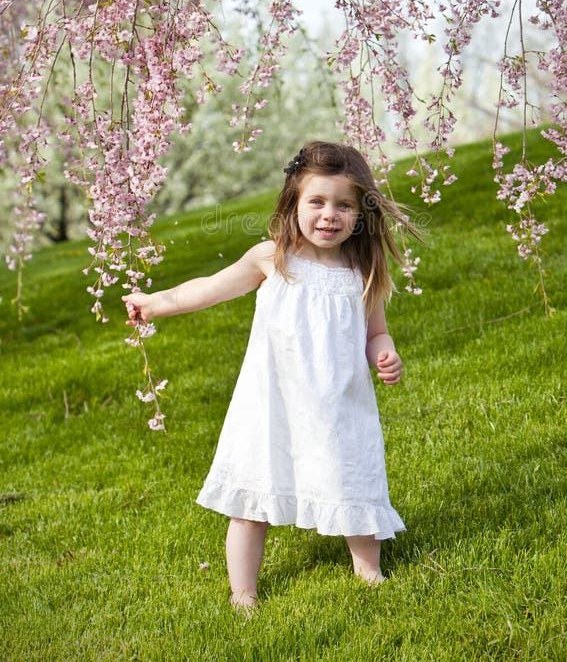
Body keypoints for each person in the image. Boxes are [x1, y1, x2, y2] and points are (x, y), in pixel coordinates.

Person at [122, 141, 414, 611]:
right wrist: (156, 303)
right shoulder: (272, 257)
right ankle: (244, 593)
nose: (329, 215)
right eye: (317, 201)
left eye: (344, 205)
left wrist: (385, 354)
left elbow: (375, 332)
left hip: (338, 405)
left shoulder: (362, 270)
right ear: (293, 203)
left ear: (361, 213)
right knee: (253, 496)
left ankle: (369, 572)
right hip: (271, 404)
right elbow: (210, 288)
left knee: (353, 479)